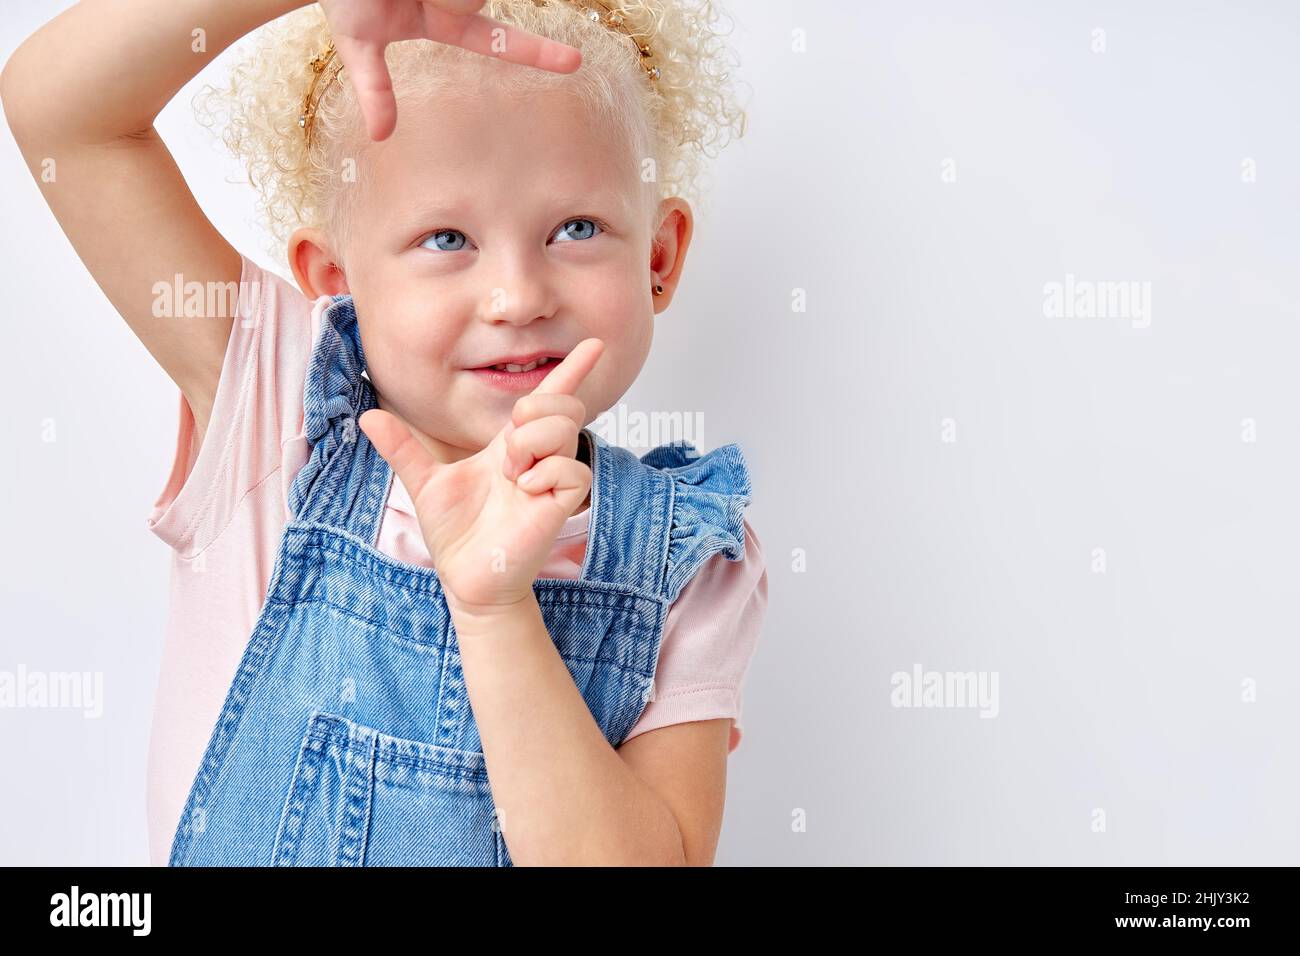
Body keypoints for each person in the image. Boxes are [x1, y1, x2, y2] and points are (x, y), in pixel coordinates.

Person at [2, 0, 766, 866]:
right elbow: (59, 112)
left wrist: (496, 611)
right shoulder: (270, 410)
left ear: (659, 257)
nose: (517, 297)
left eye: (576, 229)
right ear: (337, 279)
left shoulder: (688, 559)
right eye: (447, 238)